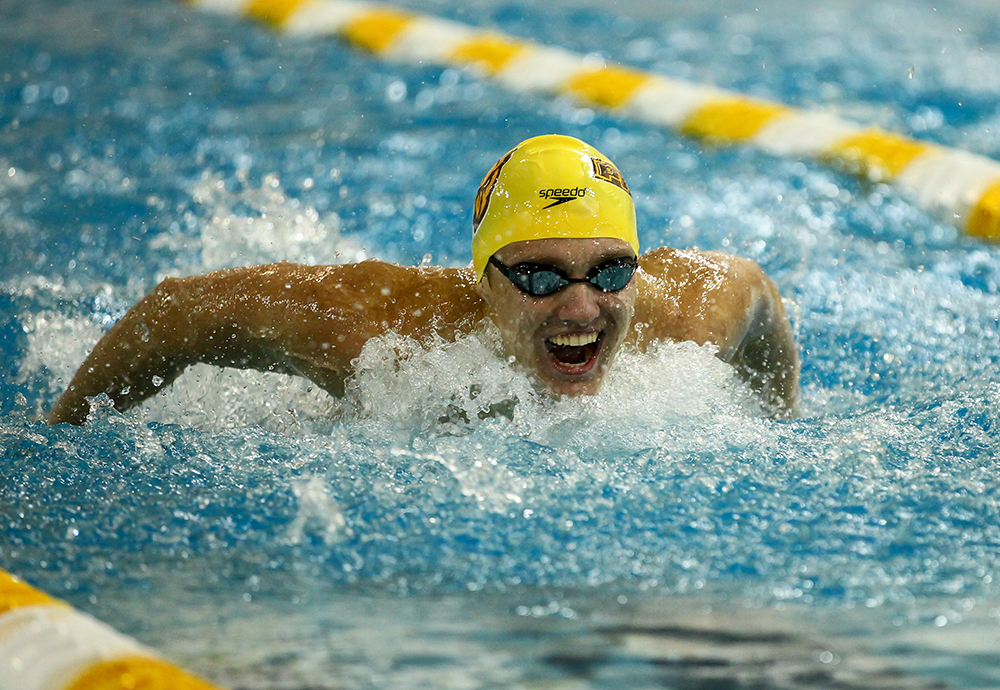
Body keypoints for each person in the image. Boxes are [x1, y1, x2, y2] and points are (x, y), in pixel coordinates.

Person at [48, 134, 799, 426]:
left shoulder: (687, 315)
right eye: (538, 274)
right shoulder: (380, 333)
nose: (581, 304)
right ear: (484, 280)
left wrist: (780, 422)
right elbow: (176, 312)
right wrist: (63, 433)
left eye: (609, 269)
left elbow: (760, 296)